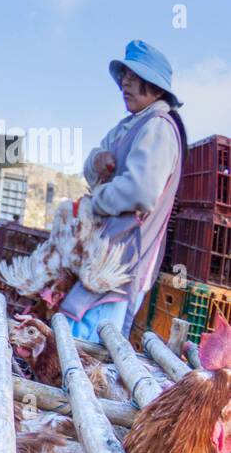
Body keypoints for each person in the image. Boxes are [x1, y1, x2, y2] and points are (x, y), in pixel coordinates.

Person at [61, 40, 187, 340]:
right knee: (72, 342)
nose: (124, 84)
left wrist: (95, 202)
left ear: (156, 88)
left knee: (86, 348)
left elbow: (140, 192)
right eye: (124, 77)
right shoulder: (129, 126)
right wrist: (97, 161)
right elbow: (94, 164)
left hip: (124, 264)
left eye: (133, 78)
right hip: (107, 257)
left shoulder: (158, 127)